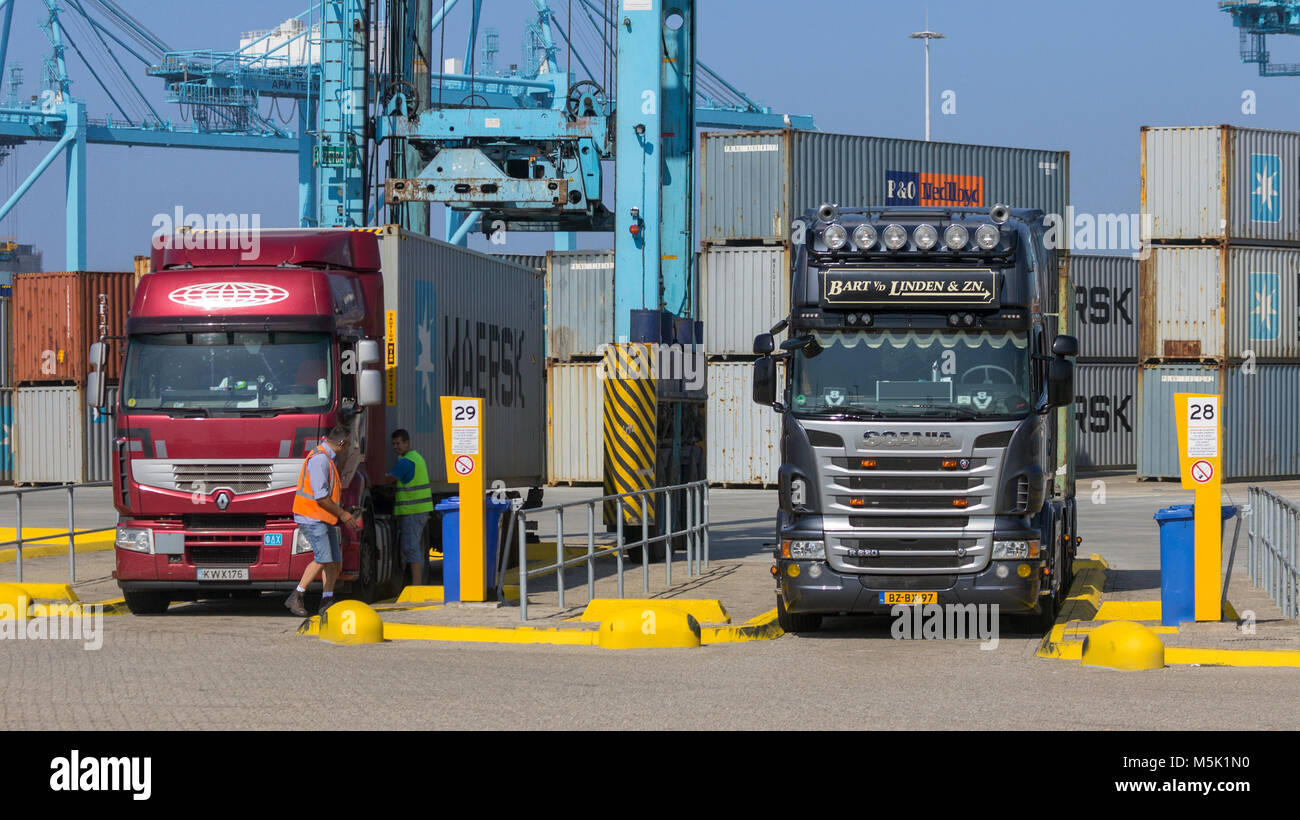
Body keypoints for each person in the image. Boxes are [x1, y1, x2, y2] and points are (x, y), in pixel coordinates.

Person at [285, 426, 361, 617]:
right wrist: (343, 514)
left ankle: (327, 600)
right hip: (312, 517)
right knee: (323, 558)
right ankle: (296, 595)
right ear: (342, 443)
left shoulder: (328, 458)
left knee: (334, 562)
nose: (349, 447)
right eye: (349, 444)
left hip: (324, 517)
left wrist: (342, 510)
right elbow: (321, 497)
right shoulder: (320, 460)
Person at [375, 429, 433, 586]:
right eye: (393, 444)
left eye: (398, 443)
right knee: (412, 547)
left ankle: (416, 586)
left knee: (410, 548)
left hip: (412, 512)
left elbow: (387, 479)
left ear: (407, 443)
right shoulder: (416, 458)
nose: (396, 447)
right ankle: (415, 584)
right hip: (418, 510)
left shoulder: (406, 462)